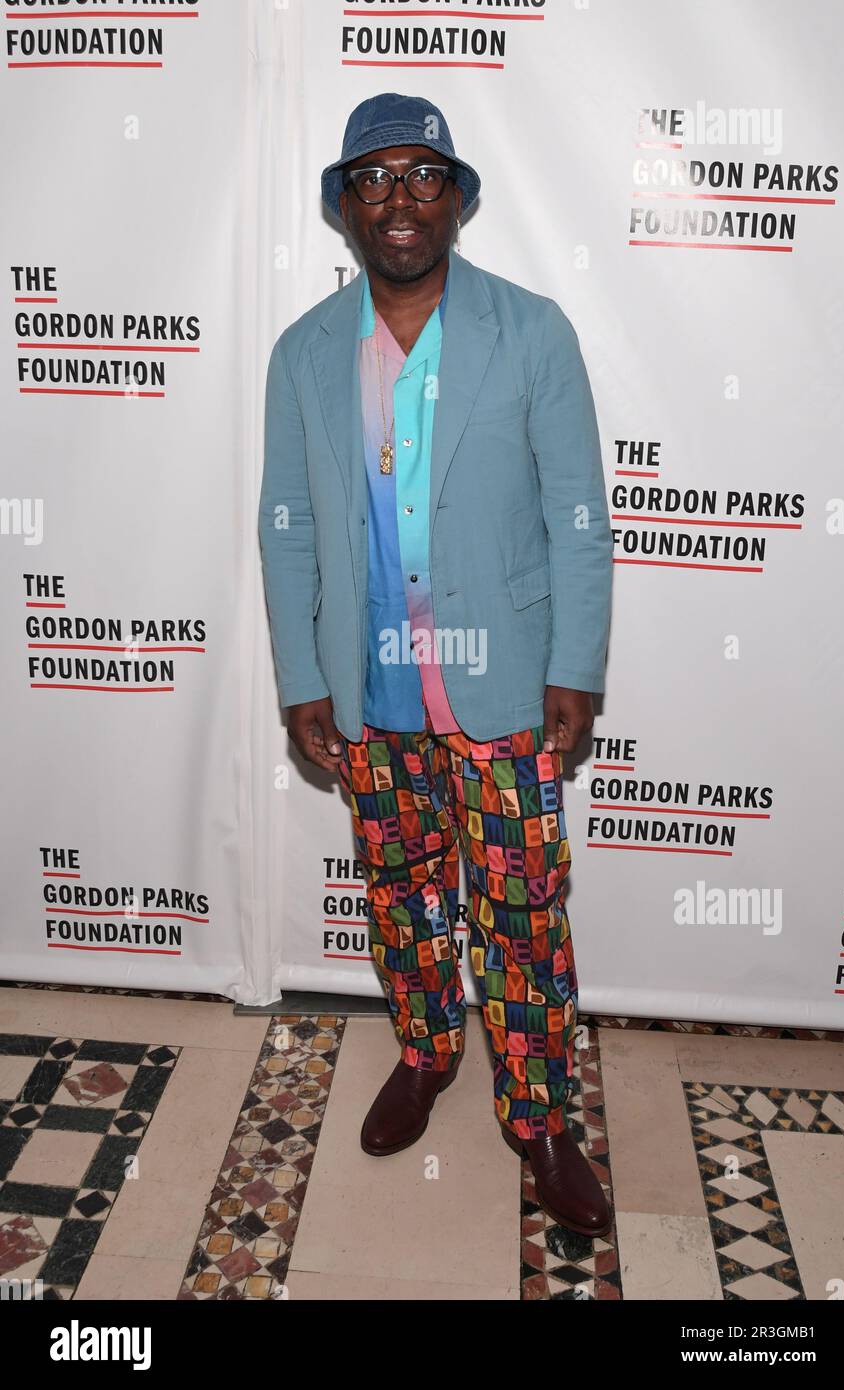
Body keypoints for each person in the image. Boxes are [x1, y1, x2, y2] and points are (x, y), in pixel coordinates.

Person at [259, 92, 614, 1237]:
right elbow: (289, 528)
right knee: (404, 902)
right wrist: (300, 678)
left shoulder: (531, 329)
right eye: (373, 178)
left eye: (421, 175)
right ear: (345, 207)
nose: (397, 198)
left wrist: (576, 661)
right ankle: (424, 1054)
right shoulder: (303, 354)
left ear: (455, 199)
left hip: (501, 686)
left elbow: (576, 514)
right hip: (368, 696)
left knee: (519, 912)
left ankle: (541, 1114)